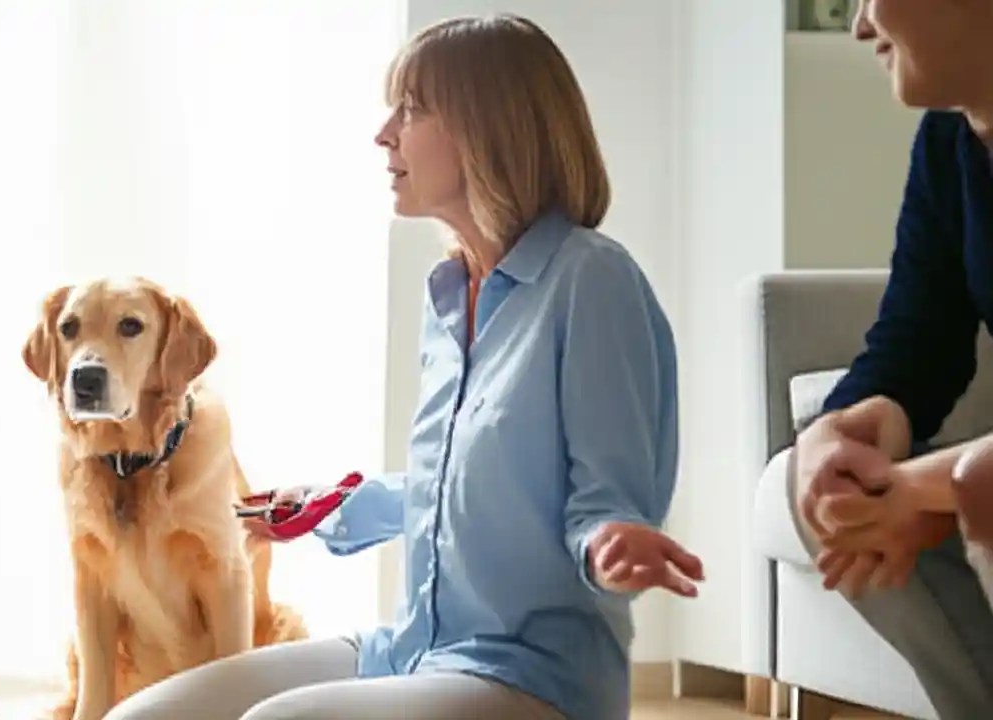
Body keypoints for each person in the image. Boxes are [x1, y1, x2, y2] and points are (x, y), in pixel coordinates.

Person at [103, 14, 703, 720]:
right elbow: (468, 481)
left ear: (489, 126)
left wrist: (610, 543)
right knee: (143, 717)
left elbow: (600, 501)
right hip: (411, 647)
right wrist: (340, 505)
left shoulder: (591, 280)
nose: (384, 133)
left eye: (412, 109)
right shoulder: (450, 294)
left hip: (537, 676)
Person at [791, 0, 993, 716]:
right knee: (830, 489)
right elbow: (915, 343)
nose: (859, 26)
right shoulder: (949, 143)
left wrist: (928, 491)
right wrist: (841, 430)